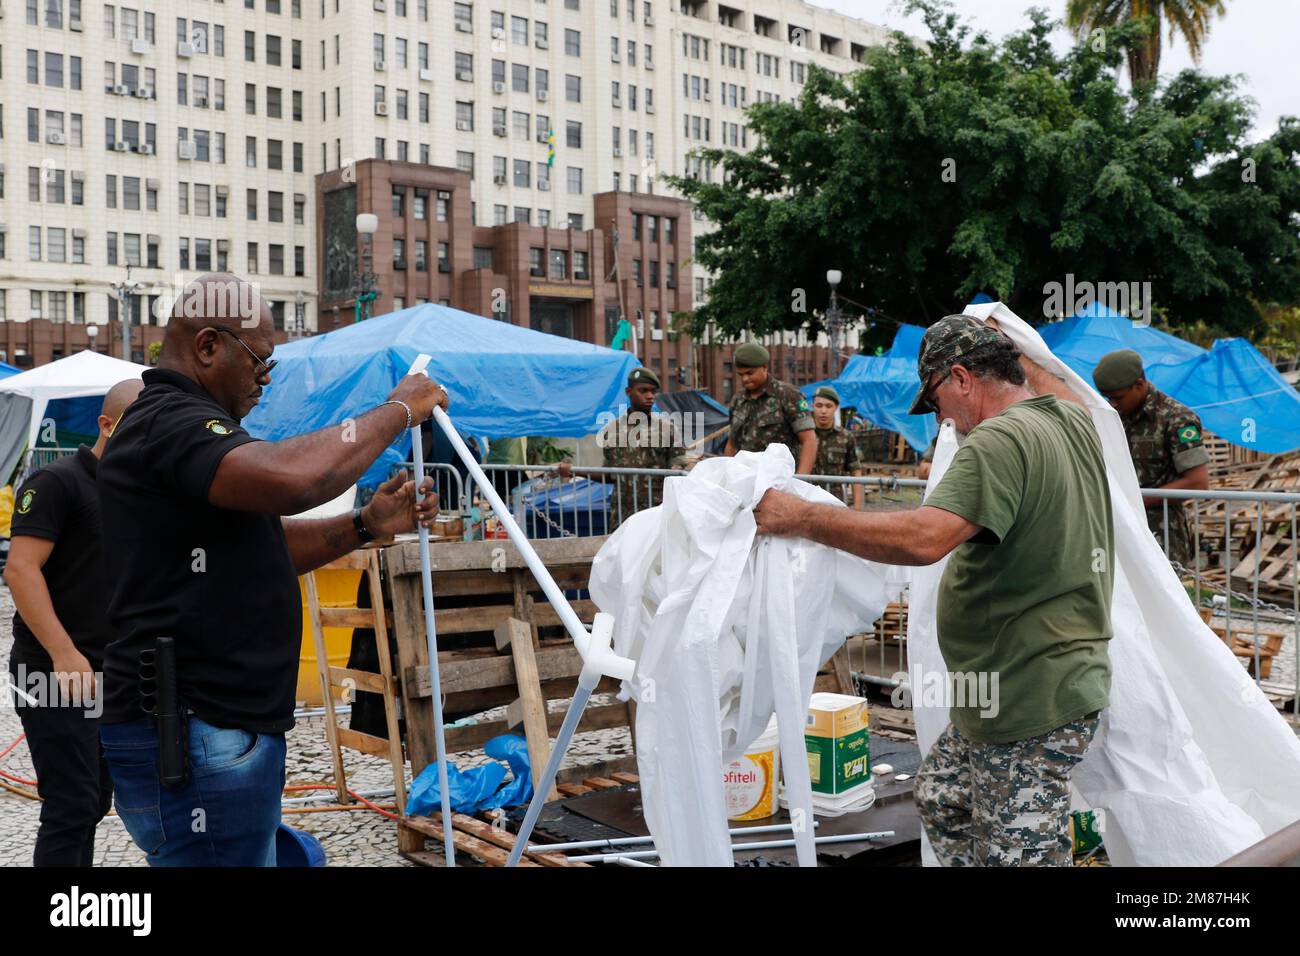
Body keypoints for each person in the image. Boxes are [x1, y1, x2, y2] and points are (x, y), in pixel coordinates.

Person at [96, 273, 447, 866]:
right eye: (262, 362)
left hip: (214, 730)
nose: (266, 379)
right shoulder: (170, 422)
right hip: (197, 730)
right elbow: (293, 479)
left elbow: (262, 547)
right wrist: (396, 411)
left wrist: (365, 524)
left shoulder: (188, 430)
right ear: (209, 347)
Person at [754, 315, 1114, 867]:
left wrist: (803, 517)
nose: (942, 419)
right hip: (1011, 688)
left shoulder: (1000, 439)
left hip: (1029, 694)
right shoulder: (1070, 420)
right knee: (945, 797)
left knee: (1021, 857)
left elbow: (926, 539)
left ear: (963, 377)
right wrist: (1018, 346)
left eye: (938, 400)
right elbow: (1063, 389)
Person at [4, 380, 144, 866]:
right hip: (49, 671)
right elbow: (20, 570)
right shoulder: (58, 482)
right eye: (140, 428)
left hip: (107, 674)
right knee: (72, 803)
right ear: (107, 425)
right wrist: (64, 653)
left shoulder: (133, 492)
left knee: (95, 800)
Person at [1092, 348, 1210, 569]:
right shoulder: (1114, 417)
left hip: (1160, 533)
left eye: (1118, 398)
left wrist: (1134, 500)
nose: (1112, 404)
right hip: (1118, 528)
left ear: (1139, 384)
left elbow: (1198, 483)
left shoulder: (1177, 419)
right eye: (1108, 398)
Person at [558, 366, 688, 531]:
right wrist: (575, 471)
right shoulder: (613, 430)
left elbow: (678, 467)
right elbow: (609, 474)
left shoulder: (667, 429)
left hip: (655, 514)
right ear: (628, 392)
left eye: (653, 392)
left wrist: (676, 470)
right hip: (622, 515)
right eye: (643, 391)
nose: (650, 396)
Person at [724, 343, 818, 474]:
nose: (745, 379)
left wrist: (801, 479)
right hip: (745, 480)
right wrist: (728, 475)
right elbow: (731, 443)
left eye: (750, 373)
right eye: (741, 374)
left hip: (779, 480)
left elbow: (809, 440)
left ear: (765, 367)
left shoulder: (789, 395)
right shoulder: (738, 400)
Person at [809, 386, 864, 509]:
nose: (823, 411)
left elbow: (856, 472)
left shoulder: (846, 437)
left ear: (836, 408)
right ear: (812, 406)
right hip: (806, 502)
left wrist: (858, 509)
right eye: (819, 405)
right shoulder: (803, 436)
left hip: (835, 504)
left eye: (828, 406)